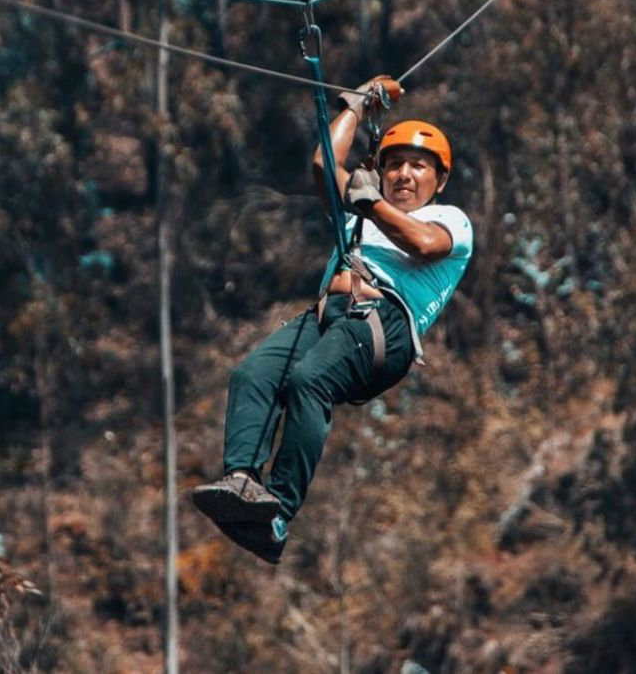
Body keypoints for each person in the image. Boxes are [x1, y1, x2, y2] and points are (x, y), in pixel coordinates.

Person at [192, 75, 473, 564]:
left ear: (439, 180)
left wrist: (371, 201)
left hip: (383, 325)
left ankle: (279, 513)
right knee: (252, 375)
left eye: (418, 166)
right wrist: (359, 105)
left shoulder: (450, 220)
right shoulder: (359, 215)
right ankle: (242, 479)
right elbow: (326, 164)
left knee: (308, 381)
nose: (404, 174)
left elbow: (422, 244)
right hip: (327, 318)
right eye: (394, 165)